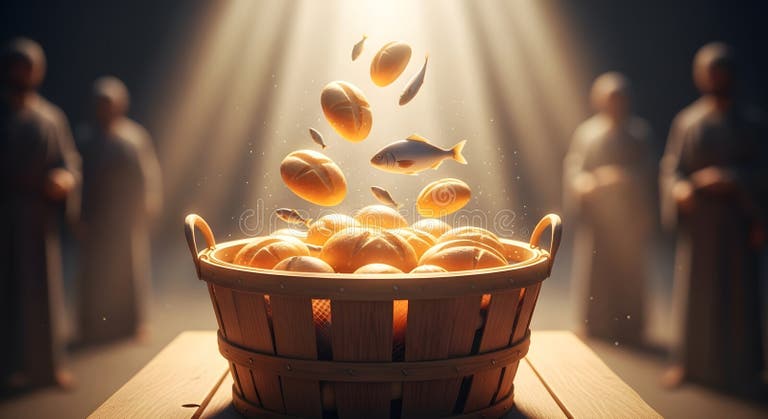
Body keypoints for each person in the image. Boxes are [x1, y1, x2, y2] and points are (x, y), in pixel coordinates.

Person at [660, 42, 767, 396]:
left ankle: (744, 369)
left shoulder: (751, 123)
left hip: (737, 221)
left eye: (722, 72)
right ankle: (689, 364)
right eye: (710, 72)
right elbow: (673, 169)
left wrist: (733, 179)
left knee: (739, 295)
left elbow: (762, 171)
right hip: (702, 224)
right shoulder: (688, 122)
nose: (715, 78)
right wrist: (680, 189)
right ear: (700, 77)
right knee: (697, 293)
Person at [0, 38, 80, 391]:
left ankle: (45, 368)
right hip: (4, 215)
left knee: (42, 294)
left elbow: (67, 163)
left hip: (35, 219)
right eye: (17, 65)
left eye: (29, 67)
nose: (23, 73)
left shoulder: (50, 118)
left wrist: (64, 179)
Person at [563, 72, 654, 346]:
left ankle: (631, 327)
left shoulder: (638, 134)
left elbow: (649, 173)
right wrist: (584, 182)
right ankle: (594, 323)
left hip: (627, 218)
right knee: (595, 270)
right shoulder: (588, 134)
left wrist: (622, 178)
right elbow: (575, 167)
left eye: (619, 99)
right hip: (599, 217)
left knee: (628, 271)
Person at [76, 76, 162, 345]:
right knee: (94, 270)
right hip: (98, 214)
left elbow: (148, 173)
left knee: (129, 268)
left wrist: (148, 200)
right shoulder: (86, 138)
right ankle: (91, 324)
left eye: (110, 103)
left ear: (121, 105)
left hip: (125, 214)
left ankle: (131, 323)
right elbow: (79, 177)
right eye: (101, 103)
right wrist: (77, 214)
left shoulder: (134, 137)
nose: (106, 108)